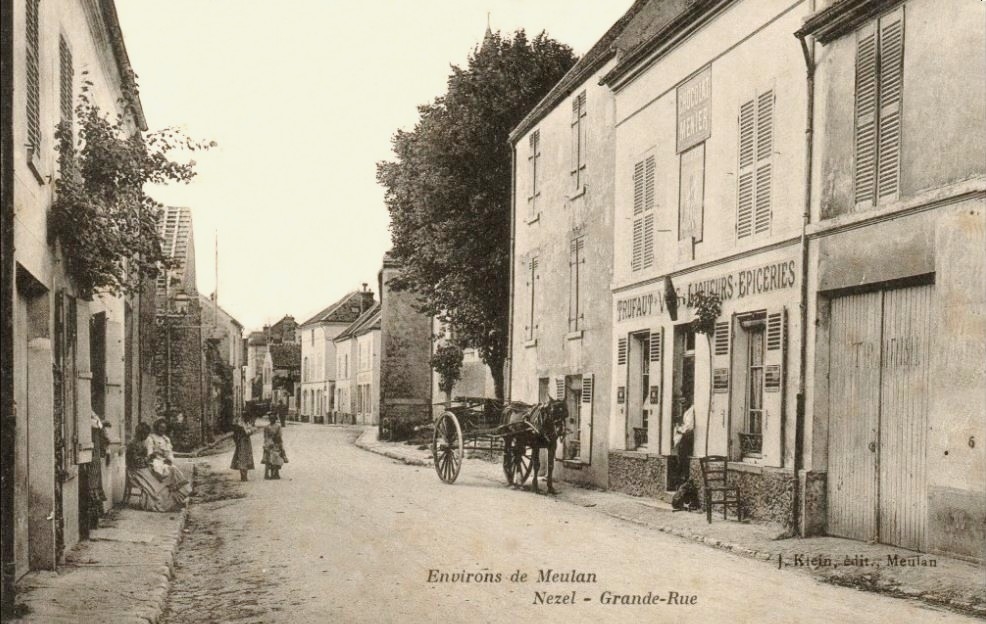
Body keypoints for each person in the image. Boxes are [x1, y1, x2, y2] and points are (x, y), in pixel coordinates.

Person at [127, 422, 191, 512]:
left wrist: (150, 460)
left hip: (144, 467)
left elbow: (145, 459)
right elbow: (135, 462)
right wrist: (149, 458)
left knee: (163, 478)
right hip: (135, 471)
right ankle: (163, 505)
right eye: (144, 434)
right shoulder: (132, 444)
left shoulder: (141, 442)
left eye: (146, 434)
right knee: (154, 487)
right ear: (140, 433)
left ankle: (174, 501)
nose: (145, 437)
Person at [262, 413, 288, 479]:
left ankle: (276, 473)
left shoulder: (278, 426)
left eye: (273, 418)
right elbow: (265, 437)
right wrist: (267, 444)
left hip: (276, 443)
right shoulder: (267, 427)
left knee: (276, 457)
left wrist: (279, 444)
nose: (272, 419)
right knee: (268, 458)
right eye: (270, 418)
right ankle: (267, 474)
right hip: (269, 444)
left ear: (275, 419)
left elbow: (279, 436)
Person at [230, 415, 255, 481]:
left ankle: (245, 475)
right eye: (245, 417)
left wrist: (248, 430)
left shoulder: (248, 424)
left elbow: (250, 432)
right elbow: (236, 434)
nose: (247, 419)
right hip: (241, 442)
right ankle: (243, 476)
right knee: (241, 458)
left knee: (246, 457)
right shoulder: (240, 424)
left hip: (247, 443)